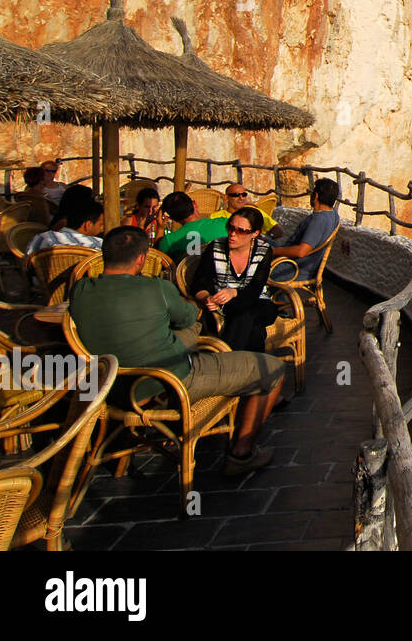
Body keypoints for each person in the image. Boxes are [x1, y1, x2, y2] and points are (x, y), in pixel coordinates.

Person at [70, 227, 283, 475]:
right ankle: (241, 454)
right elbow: (189, 316)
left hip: (108, 386)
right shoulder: (157, 288)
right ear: (141, 259)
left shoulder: (81, 290)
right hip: (169, 380)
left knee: (182, 334)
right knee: (272, 369)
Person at [191, 207, 278, 353]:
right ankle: (250, 368)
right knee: (255, 331)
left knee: (245, 313)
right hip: (225, 305)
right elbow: (199, 283)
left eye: (241, 231)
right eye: (230, 227)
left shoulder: (263, 250)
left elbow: (256, 288)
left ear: (255, 233)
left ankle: (223, 359)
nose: (232, 234)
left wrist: (234, 292)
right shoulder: (215, 247)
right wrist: (207, 298)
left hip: (257, 301)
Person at [269, 178, 340, 280]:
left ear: (315, 196)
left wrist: (274, 251)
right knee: (262, 242)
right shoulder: (333, 215)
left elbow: (301, 251)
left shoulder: (318, 220)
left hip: (291, 268)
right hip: (303, 265)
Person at [156, 191, 227, 262]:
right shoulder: (225, 223)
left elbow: (156, 264)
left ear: (172, 219)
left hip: (188, 273)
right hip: (223, 271)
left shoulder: (169, 241)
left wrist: (160, 229)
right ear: (195, 204)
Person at [25, 199, 104, 255]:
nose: (102, 228)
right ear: (88, 225)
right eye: (101, 224)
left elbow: (26, 266)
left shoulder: (41, 238)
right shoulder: (97, 245)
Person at [206, 183, 282, 239]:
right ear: (226, 198)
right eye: (236, 195)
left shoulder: (254, 212)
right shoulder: (215, 217)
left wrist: (263, 239)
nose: (241, 198)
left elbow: (277, 231)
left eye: (244, 194)